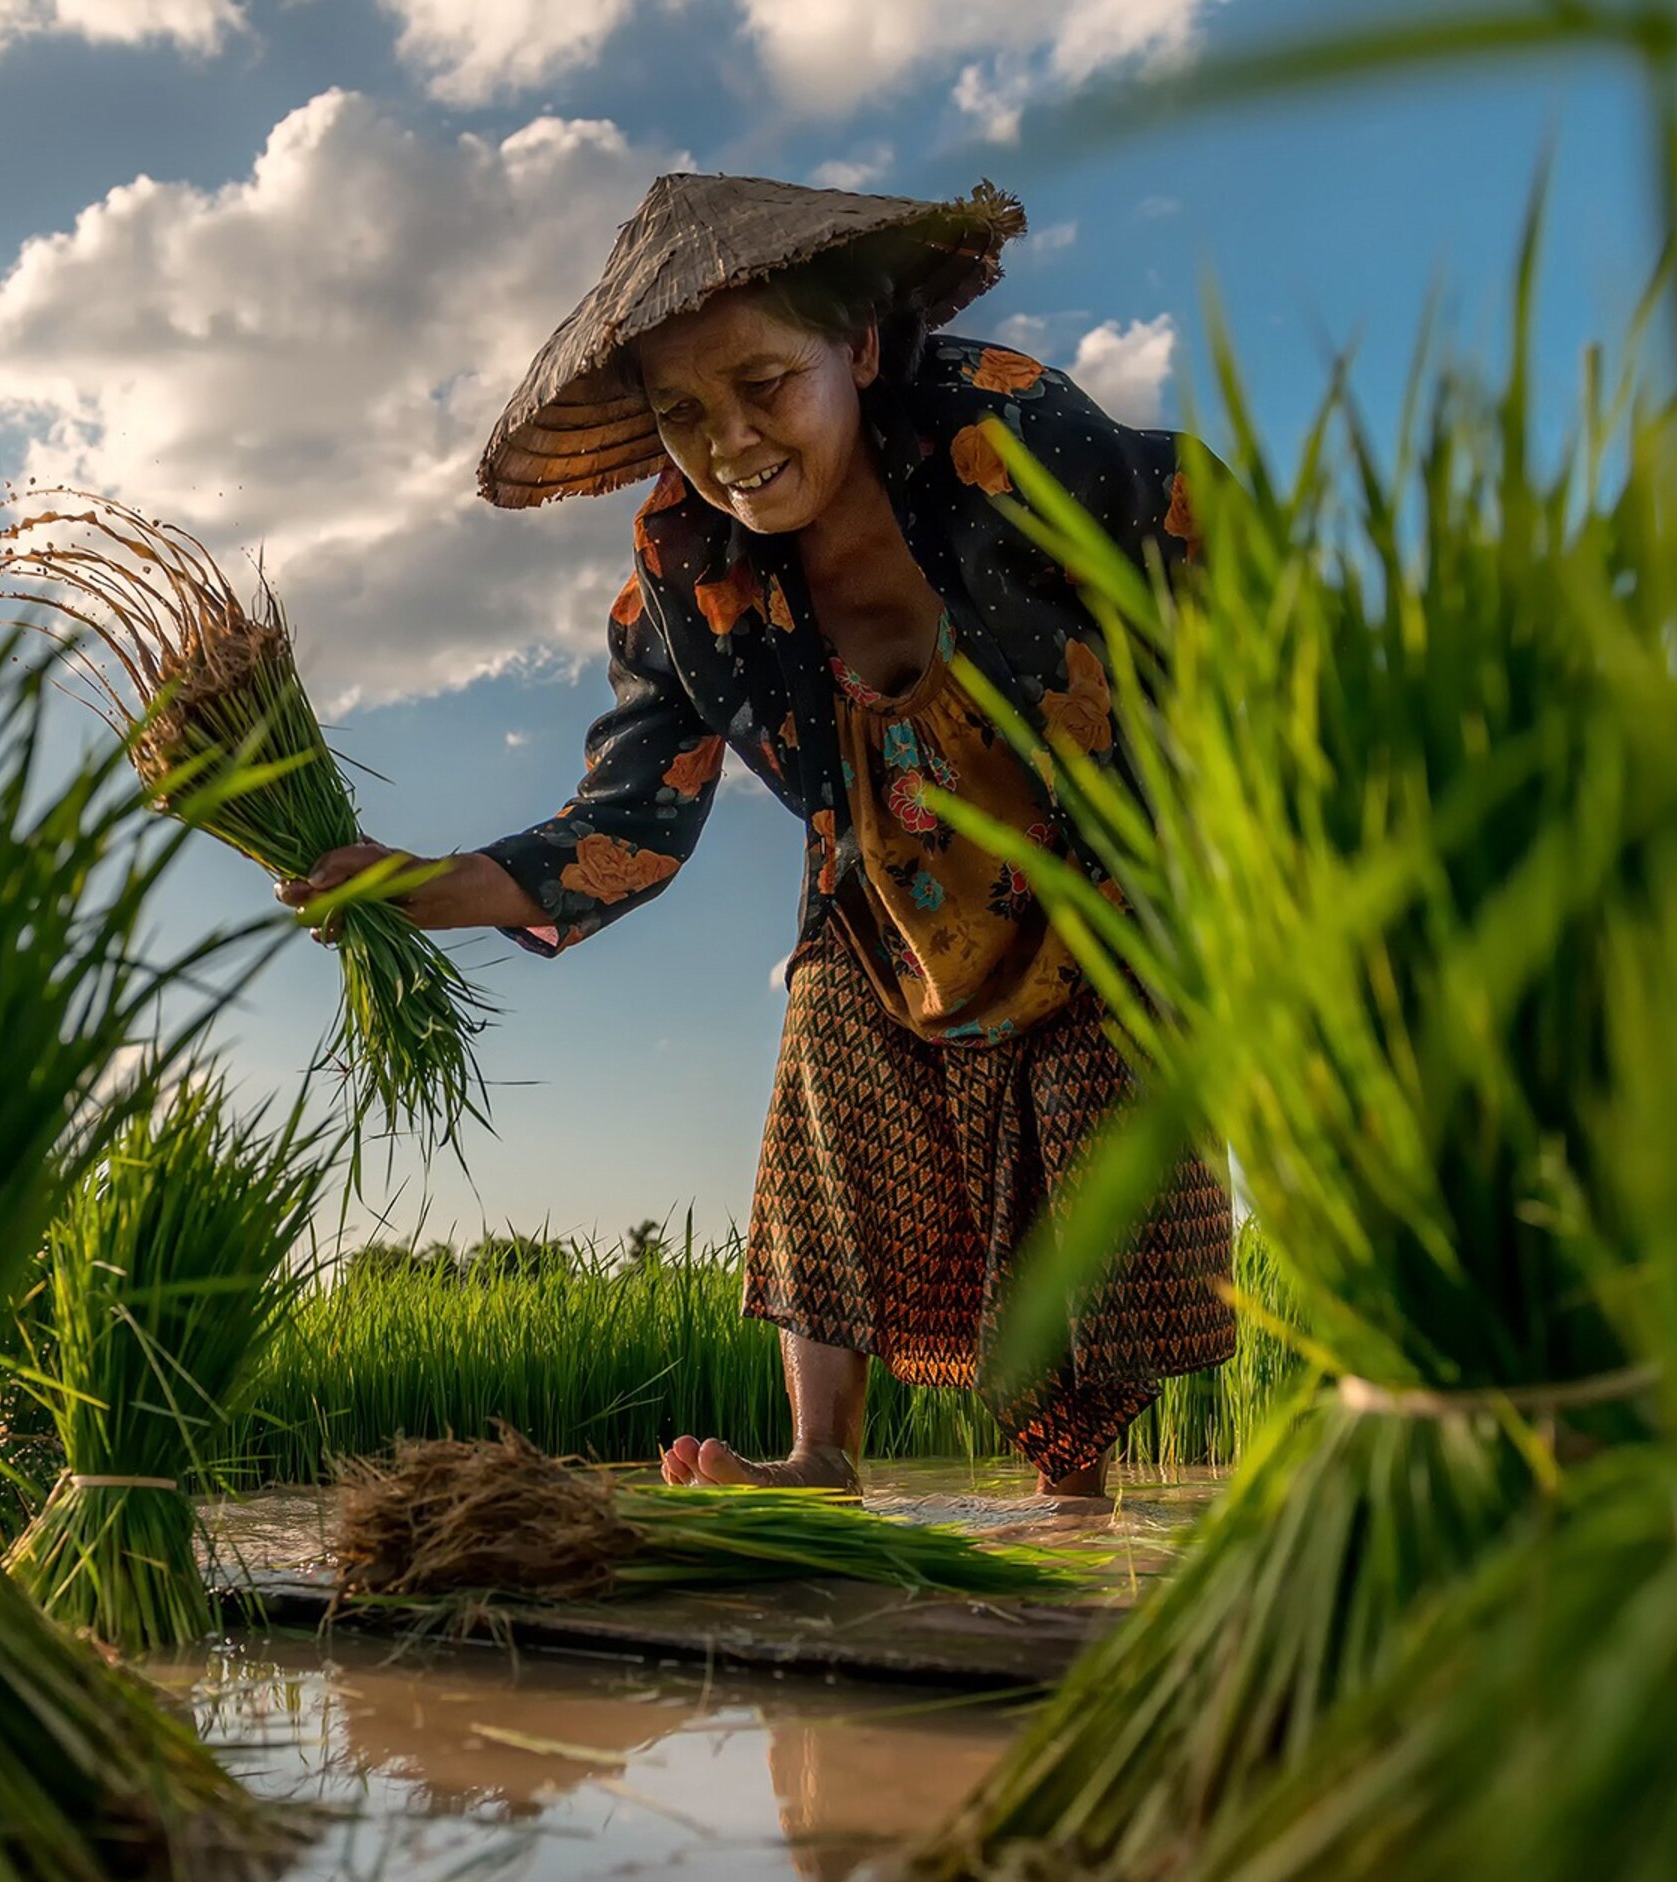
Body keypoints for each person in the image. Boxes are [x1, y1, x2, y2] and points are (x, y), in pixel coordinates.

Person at [279, 173, 1234, 1508]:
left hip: (1094, 879)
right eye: (683, 413)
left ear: (857, 346)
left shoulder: (1000, 429)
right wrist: (423, 887)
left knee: (1089, 1217)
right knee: (827, 1068)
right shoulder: (686, 575)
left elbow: (1195, 516)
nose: (727, 441)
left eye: (764, 384)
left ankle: (1076, 1503)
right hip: (884, 895)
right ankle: (820, 1454)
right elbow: (628, 820)